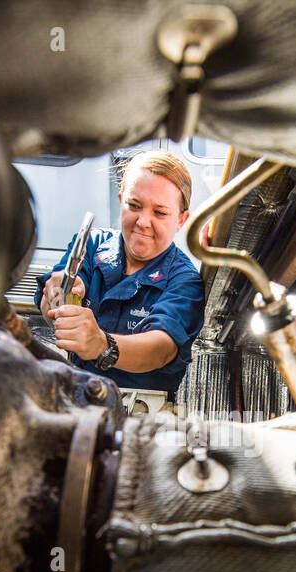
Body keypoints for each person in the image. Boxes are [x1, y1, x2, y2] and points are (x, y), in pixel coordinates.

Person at [34, 149, 206, 396]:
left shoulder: (184, 280)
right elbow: (51, 299)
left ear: (181, 219)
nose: (143, 221)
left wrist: (102, 345)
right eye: (134, 205)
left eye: (160, 212)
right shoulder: (91, 245)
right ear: (121, 200)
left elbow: (161, 348)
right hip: (76, 392)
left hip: (142, 407)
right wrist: (58, 295)